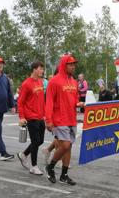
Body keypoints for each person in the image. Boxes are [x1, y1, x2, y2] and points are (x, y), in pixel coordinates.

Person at [44, 54, 82, 185]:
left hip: (71, 118)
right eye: (70, 64)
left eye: (74, 64)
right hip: (59, 119)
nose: (73, 66)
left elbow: (75, 99)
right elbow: (49, 102)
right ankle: (50, 167)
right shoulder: (54, 81)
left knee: (68, 147)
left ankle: (64, 175)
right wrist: (48, 120)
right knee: (64, 145)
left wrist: (79, 104)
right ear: (64, 65)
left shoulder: (74, 81)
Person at [17, 61, 46, 175]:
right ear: (34, 69)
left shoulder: (40, 81)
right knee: (35, 141)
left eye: (42, 69)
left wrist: (45, 114)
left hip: (40, 116)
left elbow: (41, 100)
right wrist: (22, 117)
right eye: (40, 69)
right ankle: (34, 166)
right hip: (31, 117)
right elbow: (20, 102)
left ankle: (23, 154)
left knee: (40, 141)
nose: (42, 71)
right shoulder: (26, 84)